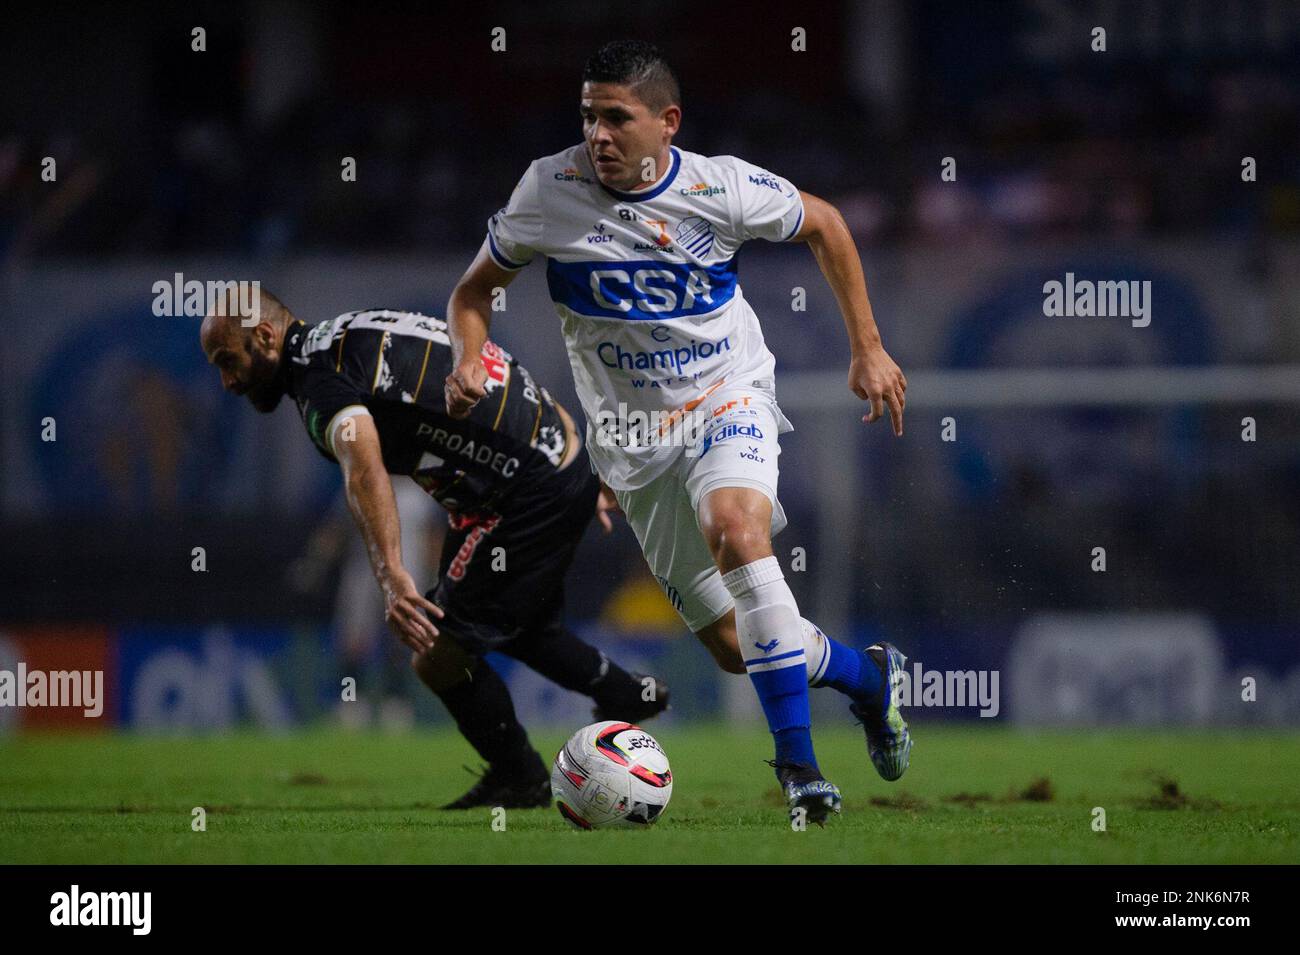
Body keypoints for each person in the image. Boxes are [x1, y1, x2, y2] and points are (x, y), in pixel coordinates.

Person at [444, 40, 911, 824]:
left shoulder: (719, 186)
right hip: (631, 445)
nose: (598, 134)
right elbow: (473, 291)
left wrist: (868, 346)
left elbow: (825, 224)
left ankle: (800, 771)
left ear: (667, 123)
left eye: (617, 118)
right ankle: (869, 679)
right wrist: (466, 356)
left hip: (728, 396)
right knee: (735, 647)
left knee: (735, 528)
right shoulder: (546, 190)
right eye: (588, 116)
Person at [200, 290, 669, 809]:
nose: (228, 382)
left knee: (437, 653)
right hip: (546, 467)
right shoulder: (351, 329)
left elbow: (366, 471)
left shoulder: (319, 381)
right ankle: (624, 693)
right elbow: (496, 368)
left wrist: (392, 576)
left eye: (228, 362)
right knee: (525, 627)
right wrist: (578, 463)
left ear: (265, 337)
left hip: (522, 493)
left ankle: (521, 776)